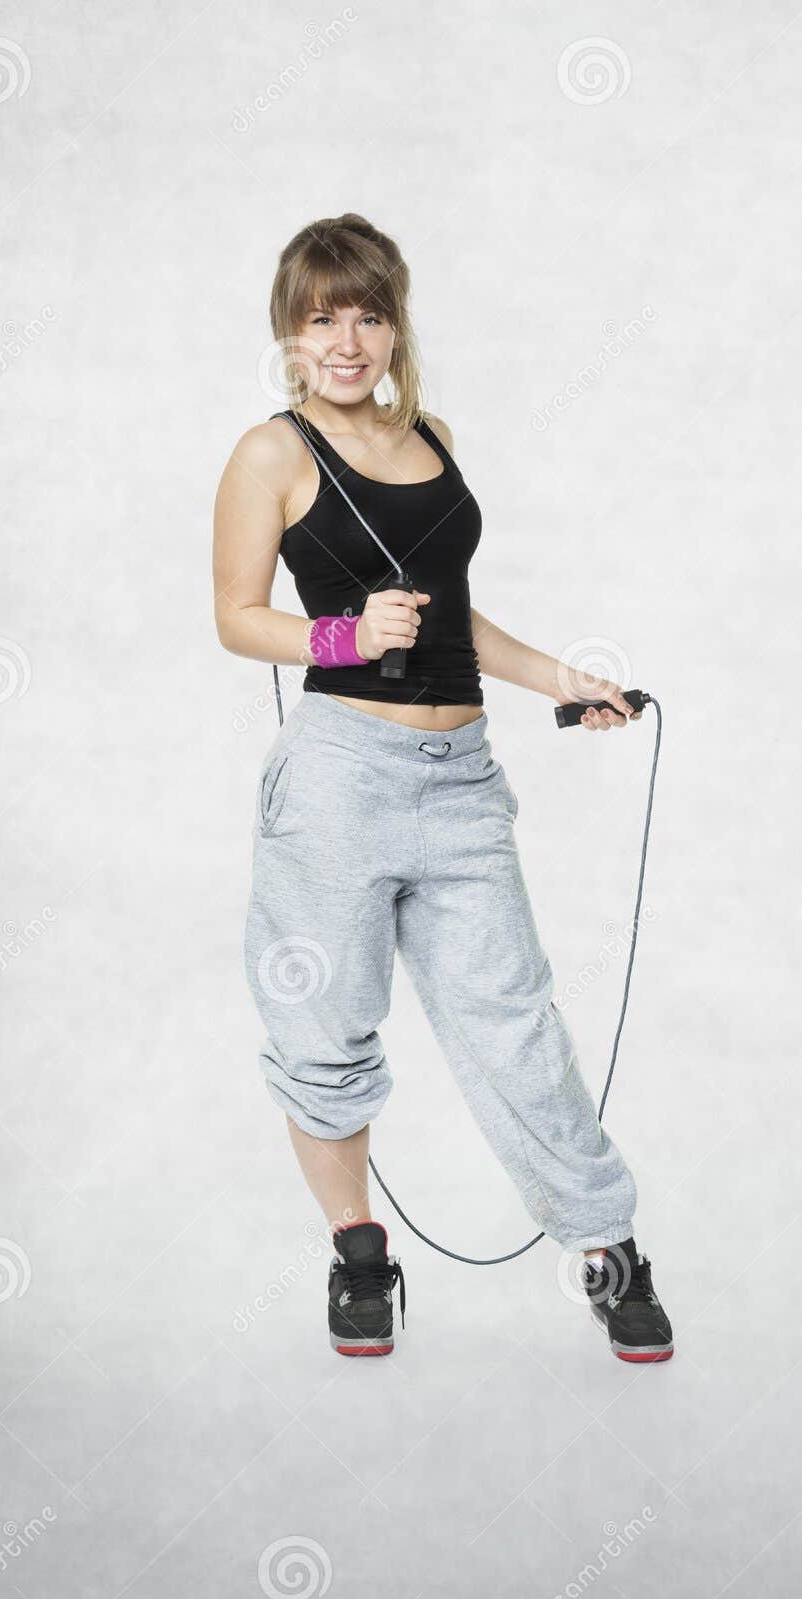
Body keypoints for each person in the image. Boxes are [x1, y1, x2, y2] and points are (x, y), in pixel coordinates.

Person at [212, 212, 673, 1364]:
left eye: (367, 313)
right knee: (325, 1033)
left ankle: (607, 1250)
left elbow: (454, 614)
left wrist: (564, 677)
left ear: (394, 320)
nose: (347, 339)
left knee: (514, 1026)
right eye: (323, 318)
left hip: (461, 781)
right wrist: (342, 632)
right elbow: (233, 616)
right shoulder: (270, 453)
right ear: (289, 331)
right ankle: (359, 1255)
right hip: (338, 781)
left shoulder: (428, 436)